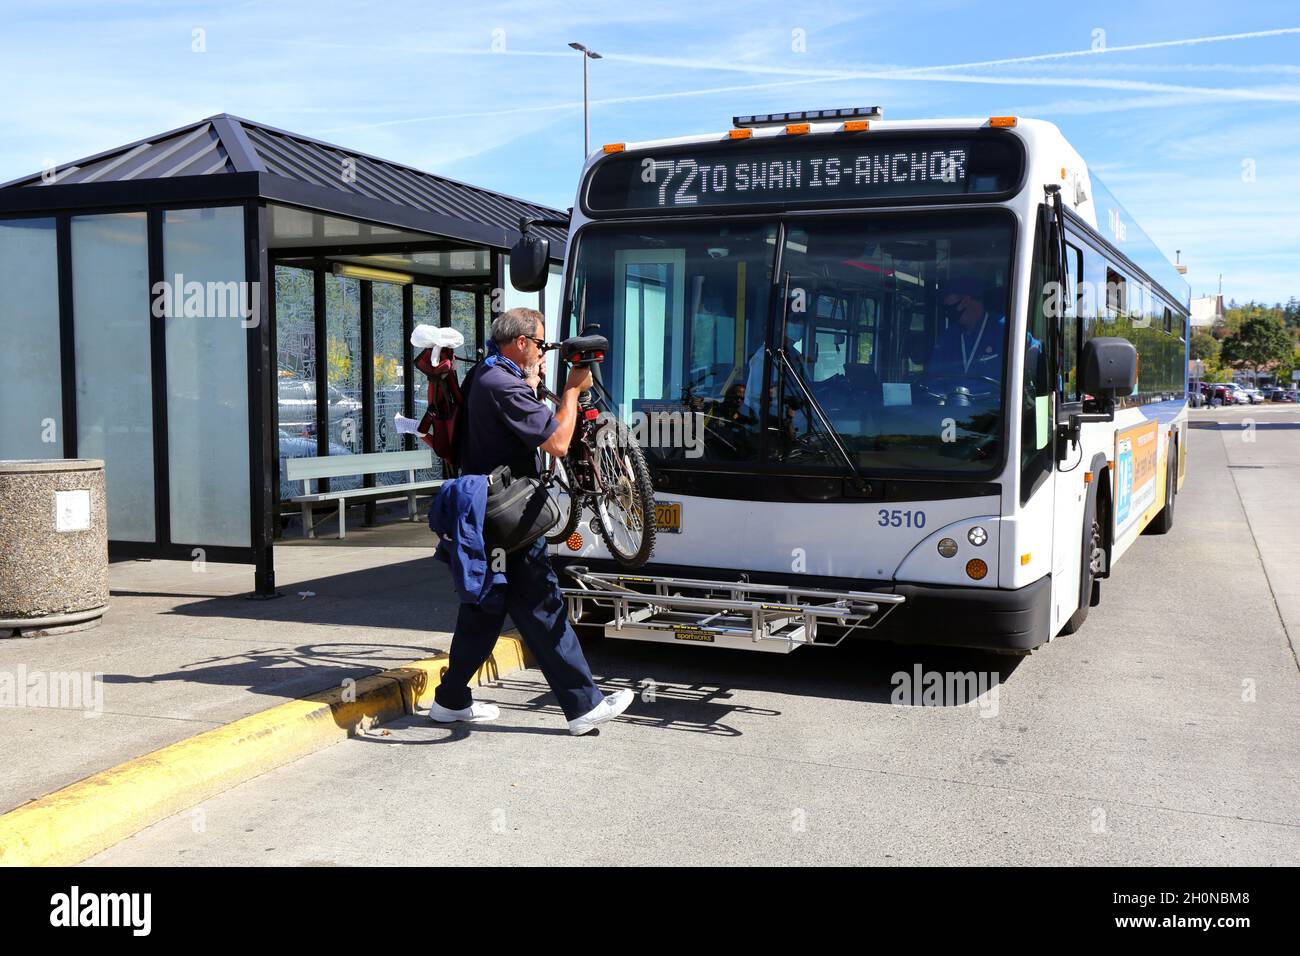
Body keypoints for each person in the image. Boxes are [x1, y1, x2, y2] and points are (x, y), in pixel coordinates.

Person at [429, 307, 634, 736]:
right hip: (508, 515)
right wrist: (574, 392)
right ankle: (583, 706)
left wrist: (534, 384)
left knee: (484, 612)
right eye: (540, 344)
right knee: (542, 605)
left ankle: (449, 701)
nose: (543, 352)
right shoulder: (502, 384)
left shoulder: (487, 374)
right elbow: (558, 443)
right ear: (520, 342)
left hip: (487, 511)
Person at [928, 276, 1005, 378]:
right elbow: (933, 379)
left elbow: (1031, 352)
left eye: (947, 297)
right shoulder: (948, 338)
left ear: (966, 300)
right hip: (951, 394)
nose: (944, 303)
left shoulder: (1003, 329)